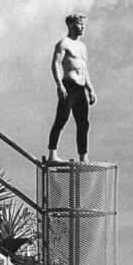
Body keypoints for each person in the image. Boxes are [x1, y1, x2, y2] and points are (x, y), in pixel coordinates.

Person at [43, 12, 95, 163]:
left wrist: (91, 89)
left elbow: (84, 69)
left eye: (83, 24)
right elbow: (56, 64)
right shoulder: (64, 43)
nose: (82, 27)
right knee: (62, 118)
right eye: (79, 24)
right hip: (68, 85)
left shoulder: (82, 47)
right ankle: (52, 154)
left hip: (81, 88)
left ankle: (83, 157)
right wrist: (59, 85)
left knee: (83, 123)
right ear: (71, 25)